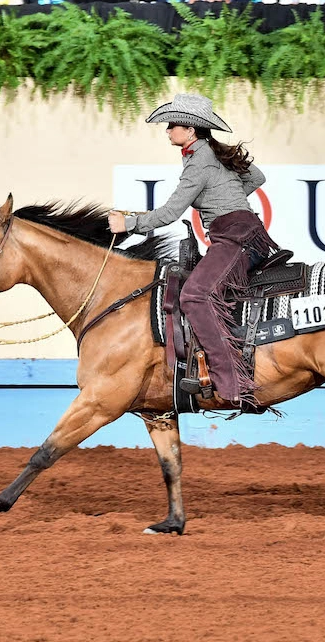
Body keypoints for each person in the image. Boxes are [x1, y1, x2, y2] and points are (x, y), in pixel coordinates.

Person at [109, 92, 278, 408]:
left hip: (236, 239)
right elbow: (258, 176)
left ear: (190, 129)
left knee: (194, 295)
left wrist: (128, 224)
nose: (168, 129)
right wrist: (225, 195)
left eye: (173, 124)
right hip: (244, 232)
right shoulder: (207, 154)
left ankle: (230, 384)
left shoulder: (198, 161)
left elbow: (170, 213)